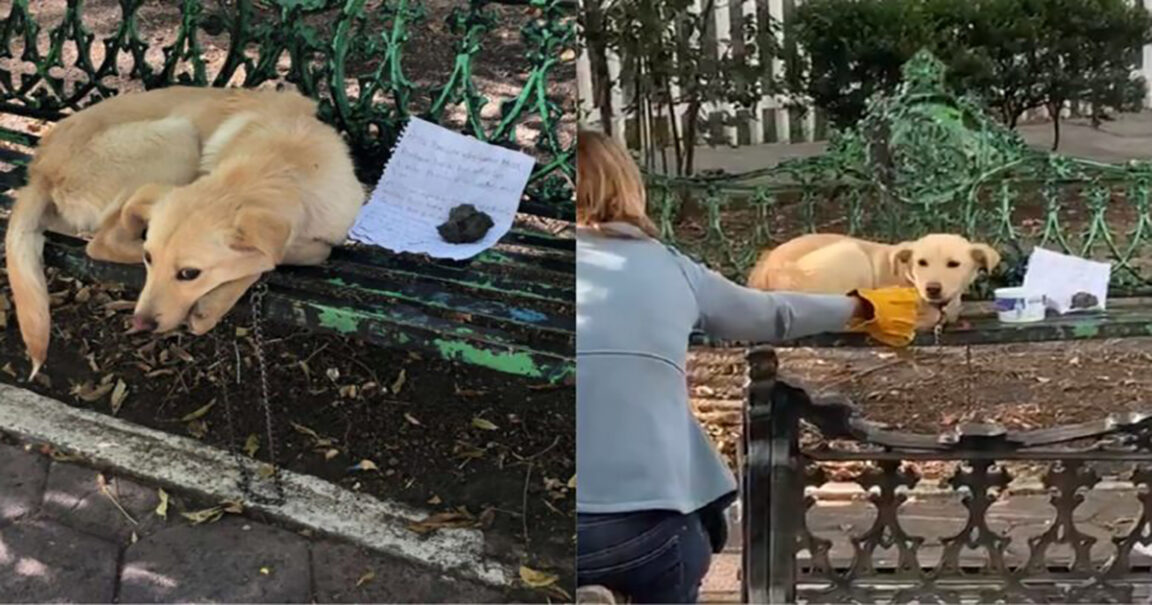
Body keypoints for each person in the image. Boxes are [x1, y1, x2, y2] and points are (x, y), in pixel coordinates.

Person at [575, 130, 921, 603]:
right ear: (627, 185)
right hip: (645, 531)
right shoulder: (669, 268)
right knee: (677, 555)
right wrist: (862, 307)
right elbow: (771, 314)